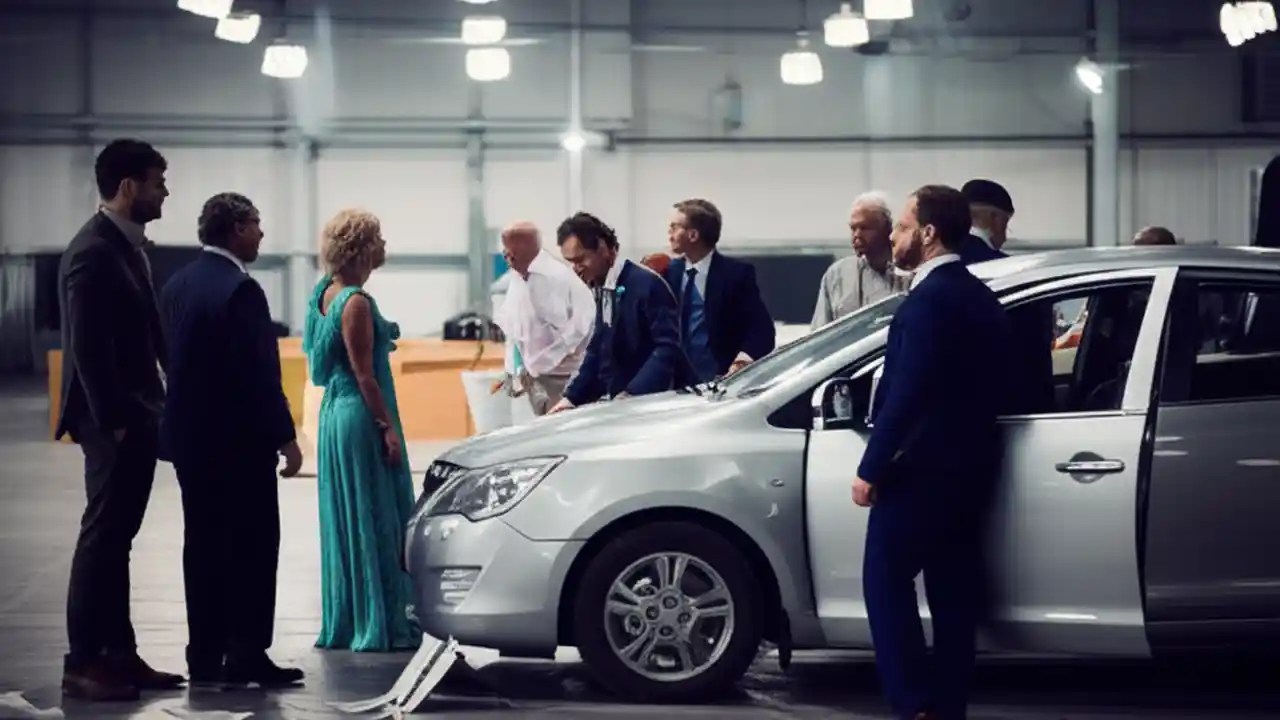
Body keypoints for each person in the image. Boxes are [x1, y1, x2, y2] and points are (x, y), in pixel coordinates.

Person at [853, 185, 1012, 720]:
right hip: (970, 467)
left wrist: (871, 467)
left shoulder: (930, 301)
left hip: (921, 471)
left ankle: (912, 704)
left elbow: (908, 392)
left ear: (926, 233)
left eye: (899, 226)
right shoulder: (978, 296)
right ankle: (947, 706)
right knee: (952, 595)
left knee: (883, 579)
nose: (894, 237)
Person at [55, 138, 184, 701]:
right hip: (113, 423)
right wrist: (116, 423)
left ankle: (119, 654)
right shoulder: (93, 251)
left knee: (118, 541)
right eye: (158, 182)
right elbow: (87, 349)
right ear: (129, 187)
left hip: (137, 415)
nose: (165, 191)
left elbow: (148, 331)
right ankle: (83, 662)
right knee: (102, 539)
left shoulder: (127, 246)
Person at [158, 192, 304, 687]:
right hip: (238, 445)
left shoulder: (177, 283)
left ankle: (204, 654)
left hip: (190, 442)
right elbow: (259, 374)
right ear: (237, 227)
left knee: (201, 547)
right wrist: (285, 437)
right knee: (253, 546)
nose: (262, 234)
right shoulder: (241, 290)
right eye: (256, 224)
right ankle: (246, 652)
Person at [305, 209, 419, 652]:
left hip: (333, 414)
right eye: (379, 238)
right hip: (358, 414)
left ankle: (351, 615)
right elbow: (365, 373)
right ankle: (381, 621)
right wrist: (385, 428)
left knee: (347, 516)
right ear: (364, 247)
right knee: (376, 515)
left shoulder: (322, 293)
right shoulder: (355, 302)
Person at [549, 212, 681, 412]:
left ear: (602, 248)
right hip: (622, 406)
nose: (576, 269)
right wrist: (570, 399)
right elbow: (598, 350)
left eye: (580, 260)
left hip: (651, 408)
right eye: (571, 263)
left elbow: (668, 348)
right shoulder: (605, 288)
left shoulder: (647, 285)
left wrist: (632, 394)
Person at [664, 198, 775, 382]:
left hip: (719, 381)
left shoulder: (736, 275)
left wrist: (740, 363)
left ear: (693, 235)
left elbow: (761, 331)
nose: (669, 234)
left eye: (674, 227)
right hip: (673, 384)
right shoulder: (668, 272)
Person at [491, 221, 596, 415]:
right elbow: (515, 328)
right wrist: (513, 368)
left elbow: (579, 328)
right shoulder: (517, 279)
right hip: (536, 378)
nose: (506, 255)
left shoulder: (555, 278)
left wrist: (543, 361)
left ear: (520, 249)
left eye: (508, 248)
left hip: (563, 378)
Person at [812, 191, 902, 330]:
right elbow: (819, 332)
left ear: (888, 229)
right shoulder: (837, 275)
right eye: (853, 228)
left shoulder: (908, 272)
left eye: (865, 228)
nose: (857, 235)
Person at [957, 178, 1013, 264]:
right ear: (995, 218)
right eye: (1005, 224)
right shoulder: (1003, 264)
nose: (1004, 238)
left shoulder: (938, 253)